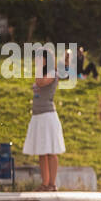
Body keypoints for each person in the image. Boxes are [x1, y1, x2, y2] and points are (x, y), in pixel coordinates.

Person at [21, 51, 66, 190]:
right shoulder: (41, 72)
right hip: (37, 116)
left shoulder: (52, 73)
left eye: (40, 58)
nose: (37, 60)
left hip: (48, 116)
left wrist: (40, 68)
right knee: (41, 151)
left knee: (51, 151)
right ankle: (44, 183)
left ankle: (52, 184)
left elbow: (40, 82)